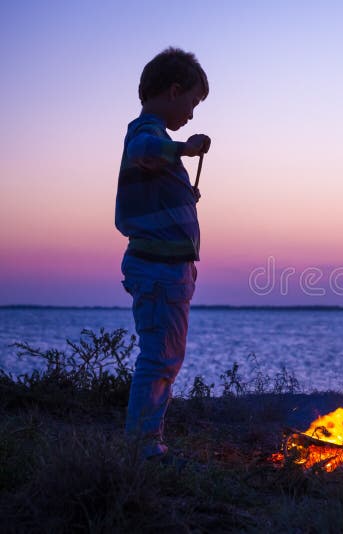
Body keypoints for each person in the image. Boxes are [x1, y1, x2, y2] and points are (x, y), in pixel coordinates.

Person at [115, 47, 210, 459]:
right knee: (158, 358)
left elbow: (154, 180)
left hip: (169, 270)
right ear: (173, 91)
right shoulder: (146, 133)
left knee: (166, 357)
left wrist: (185, 196)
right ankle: (142, 447)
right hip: (157, 270)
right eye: (192, 102)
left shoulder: (156, 140)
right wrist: (184, 149)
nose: (191, 113)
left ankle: (149, 438)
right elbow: (146, 152)